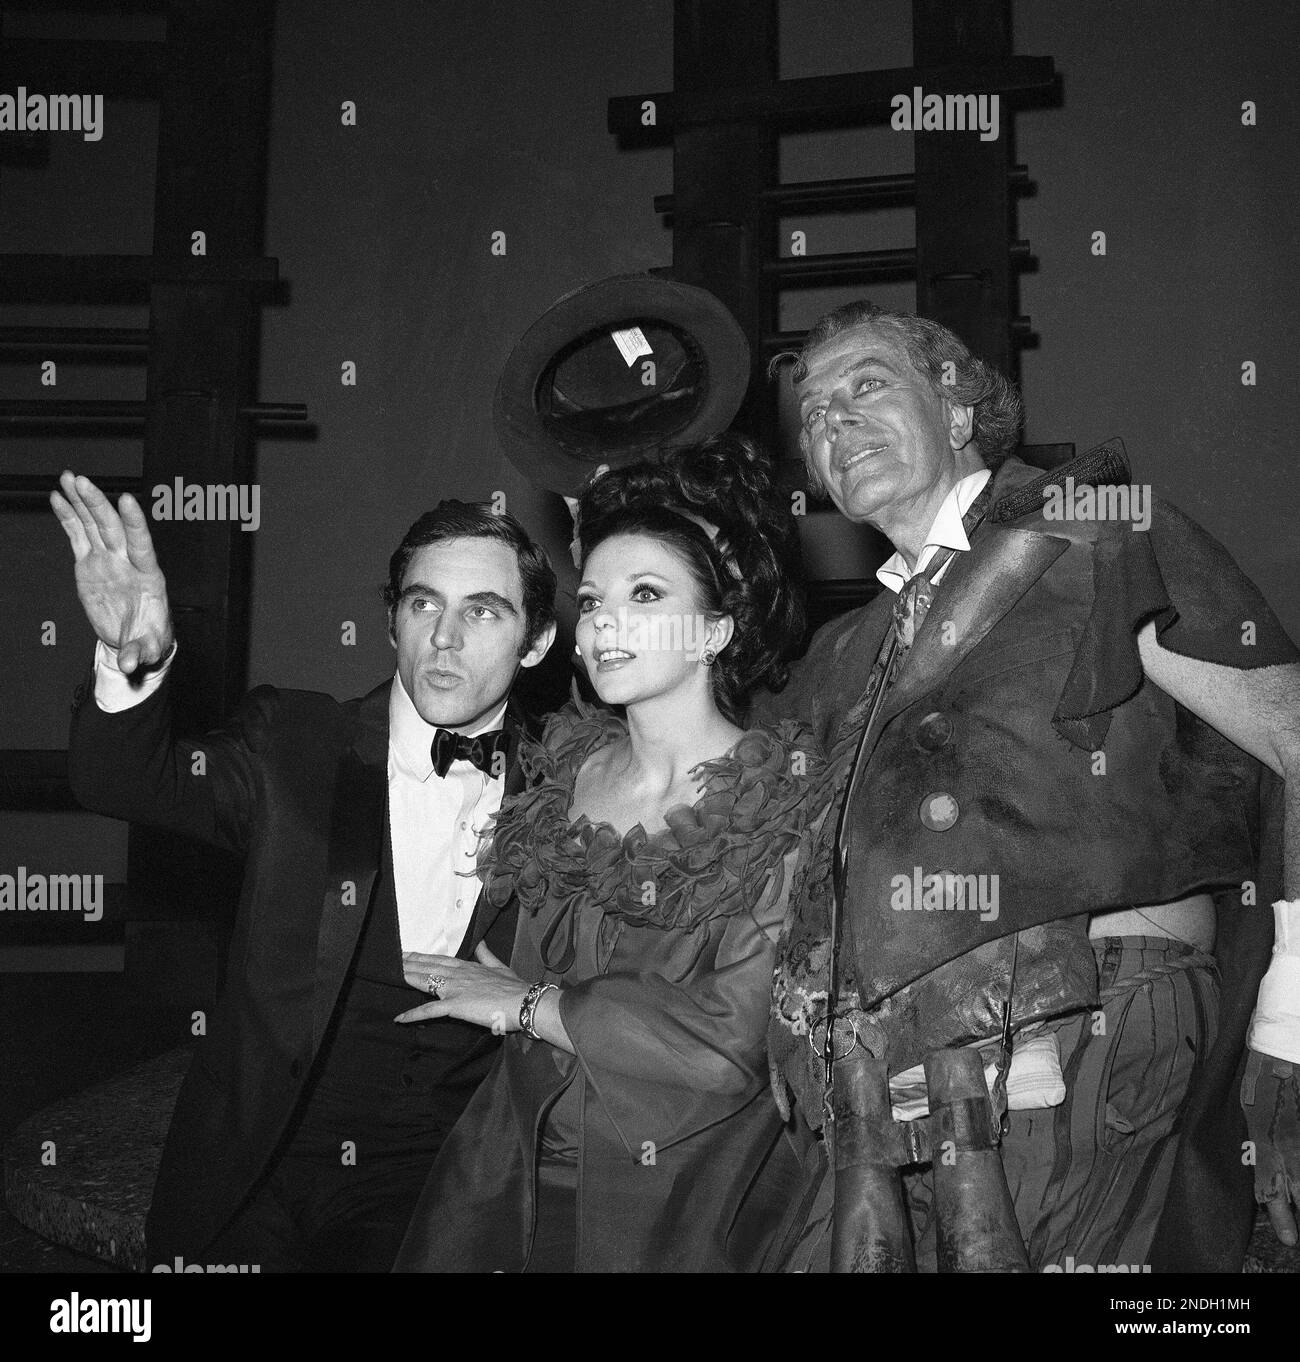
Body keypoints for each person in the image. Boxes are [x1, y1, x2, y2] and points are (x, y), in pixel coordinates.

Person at [755, 301, 1300, 1272]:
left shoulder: (1094, 531)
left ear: (959, 407)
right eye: (814, 416)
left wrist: (1291, 1030)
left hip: (1088, 1023)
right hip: (869, 1091)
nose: (833, 421)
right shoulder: (835, 658)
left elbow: (1294, 741)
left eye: (866, 386)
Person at [52, 472, 557, 1271]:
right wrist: (130, 662)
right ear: (391, 622)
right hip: (255, 1163)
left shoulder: (573, 787)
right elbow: (121, 781)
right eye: (423, 604)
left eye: (483, 612)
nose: (445, 639)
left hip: (434, 1177)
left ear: (536, 642)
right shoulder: (292, 741)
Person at [393, 435, 819, 1272]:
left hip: (680, 1200)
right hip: (502, 1173)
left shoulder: (783, 803)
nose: (606, 623)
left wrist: (528, 1006)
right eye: (591, 602)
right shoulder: (555, 774)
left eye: (646, 594)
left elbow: (727, 1047)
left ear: (716, 630)